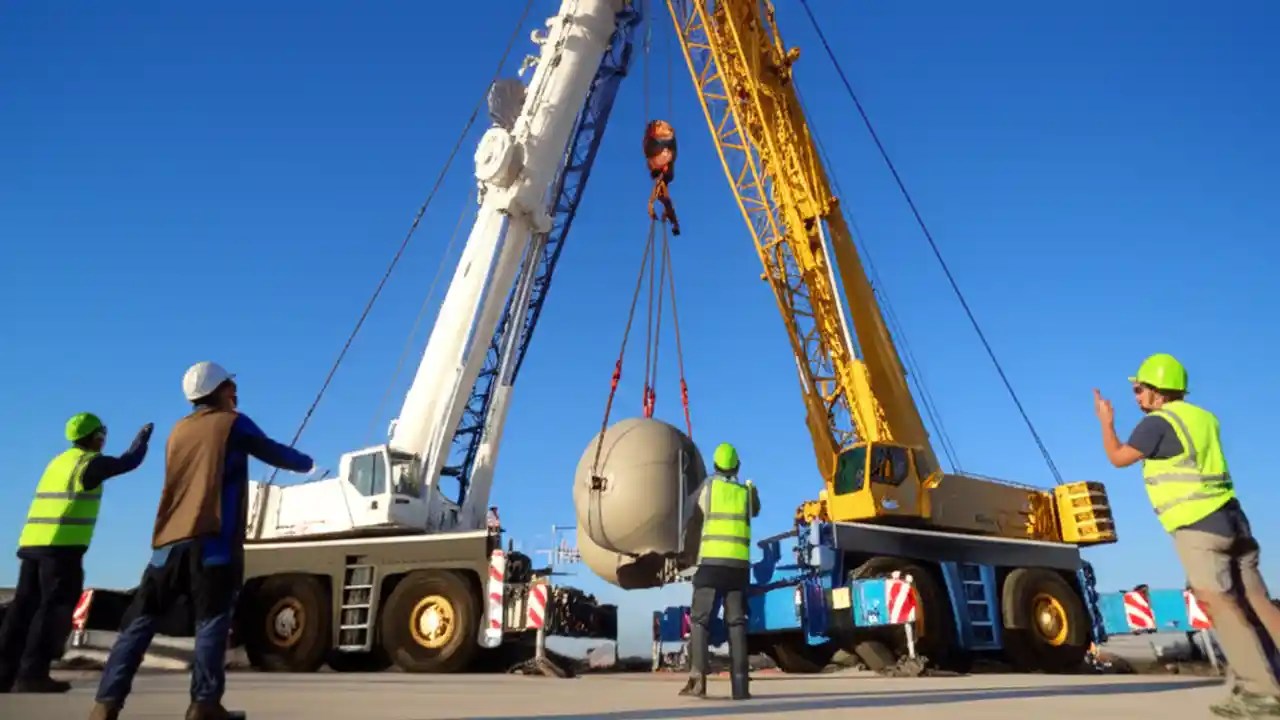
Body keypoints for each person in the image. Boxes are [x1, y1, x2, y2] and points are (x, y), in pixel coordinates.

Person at [88, 362, 314, 720]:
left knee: (139, 623)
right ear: (219, 390)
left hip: (166, 544)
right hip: (213, 542)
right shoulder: (232, 423)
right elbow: (274, 452)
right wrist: (307, 463)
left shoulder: (178, 430)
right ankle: (204, 705)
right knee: (211, 622)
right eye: (230, 386)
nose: (235, 393)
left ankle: (106, 704)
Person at [1094, 353, 1280, 718]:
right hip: (1233, 519)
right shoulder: (1204, 417)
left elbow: (1117, 457)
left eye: (1139, 389)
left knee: (1221, 606)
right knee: (1259, 603)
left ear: (1157, 392)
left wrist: (1106, 422)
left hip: (1198, 525)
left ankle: (1262, 693)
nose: (1136, 397)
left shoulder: (1157, 423)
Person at [0, 413, 152, 694]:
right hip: (61, 549)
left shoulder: (59, 461)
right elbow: (127, 462)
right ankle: (33, 674)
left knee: (22, 609)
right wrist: (141, 442)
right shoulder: (88, 463)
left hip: (32, 543)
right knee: (53, 609)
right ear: (96, 436)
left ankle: (3, 673)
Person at [678, 442, 760, 701]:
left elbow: (691, 515)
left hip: (711, 566)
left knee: (700, 622)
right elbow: (755, 510)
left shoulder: (708, 488)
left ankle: (698, 681)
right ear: (736, 466)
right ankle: (740, 687)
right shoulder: (747, 492)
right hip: (737, 569)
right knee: (736, 624)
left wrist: (685, 553)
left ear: (715, 466)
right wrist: (750, 488)